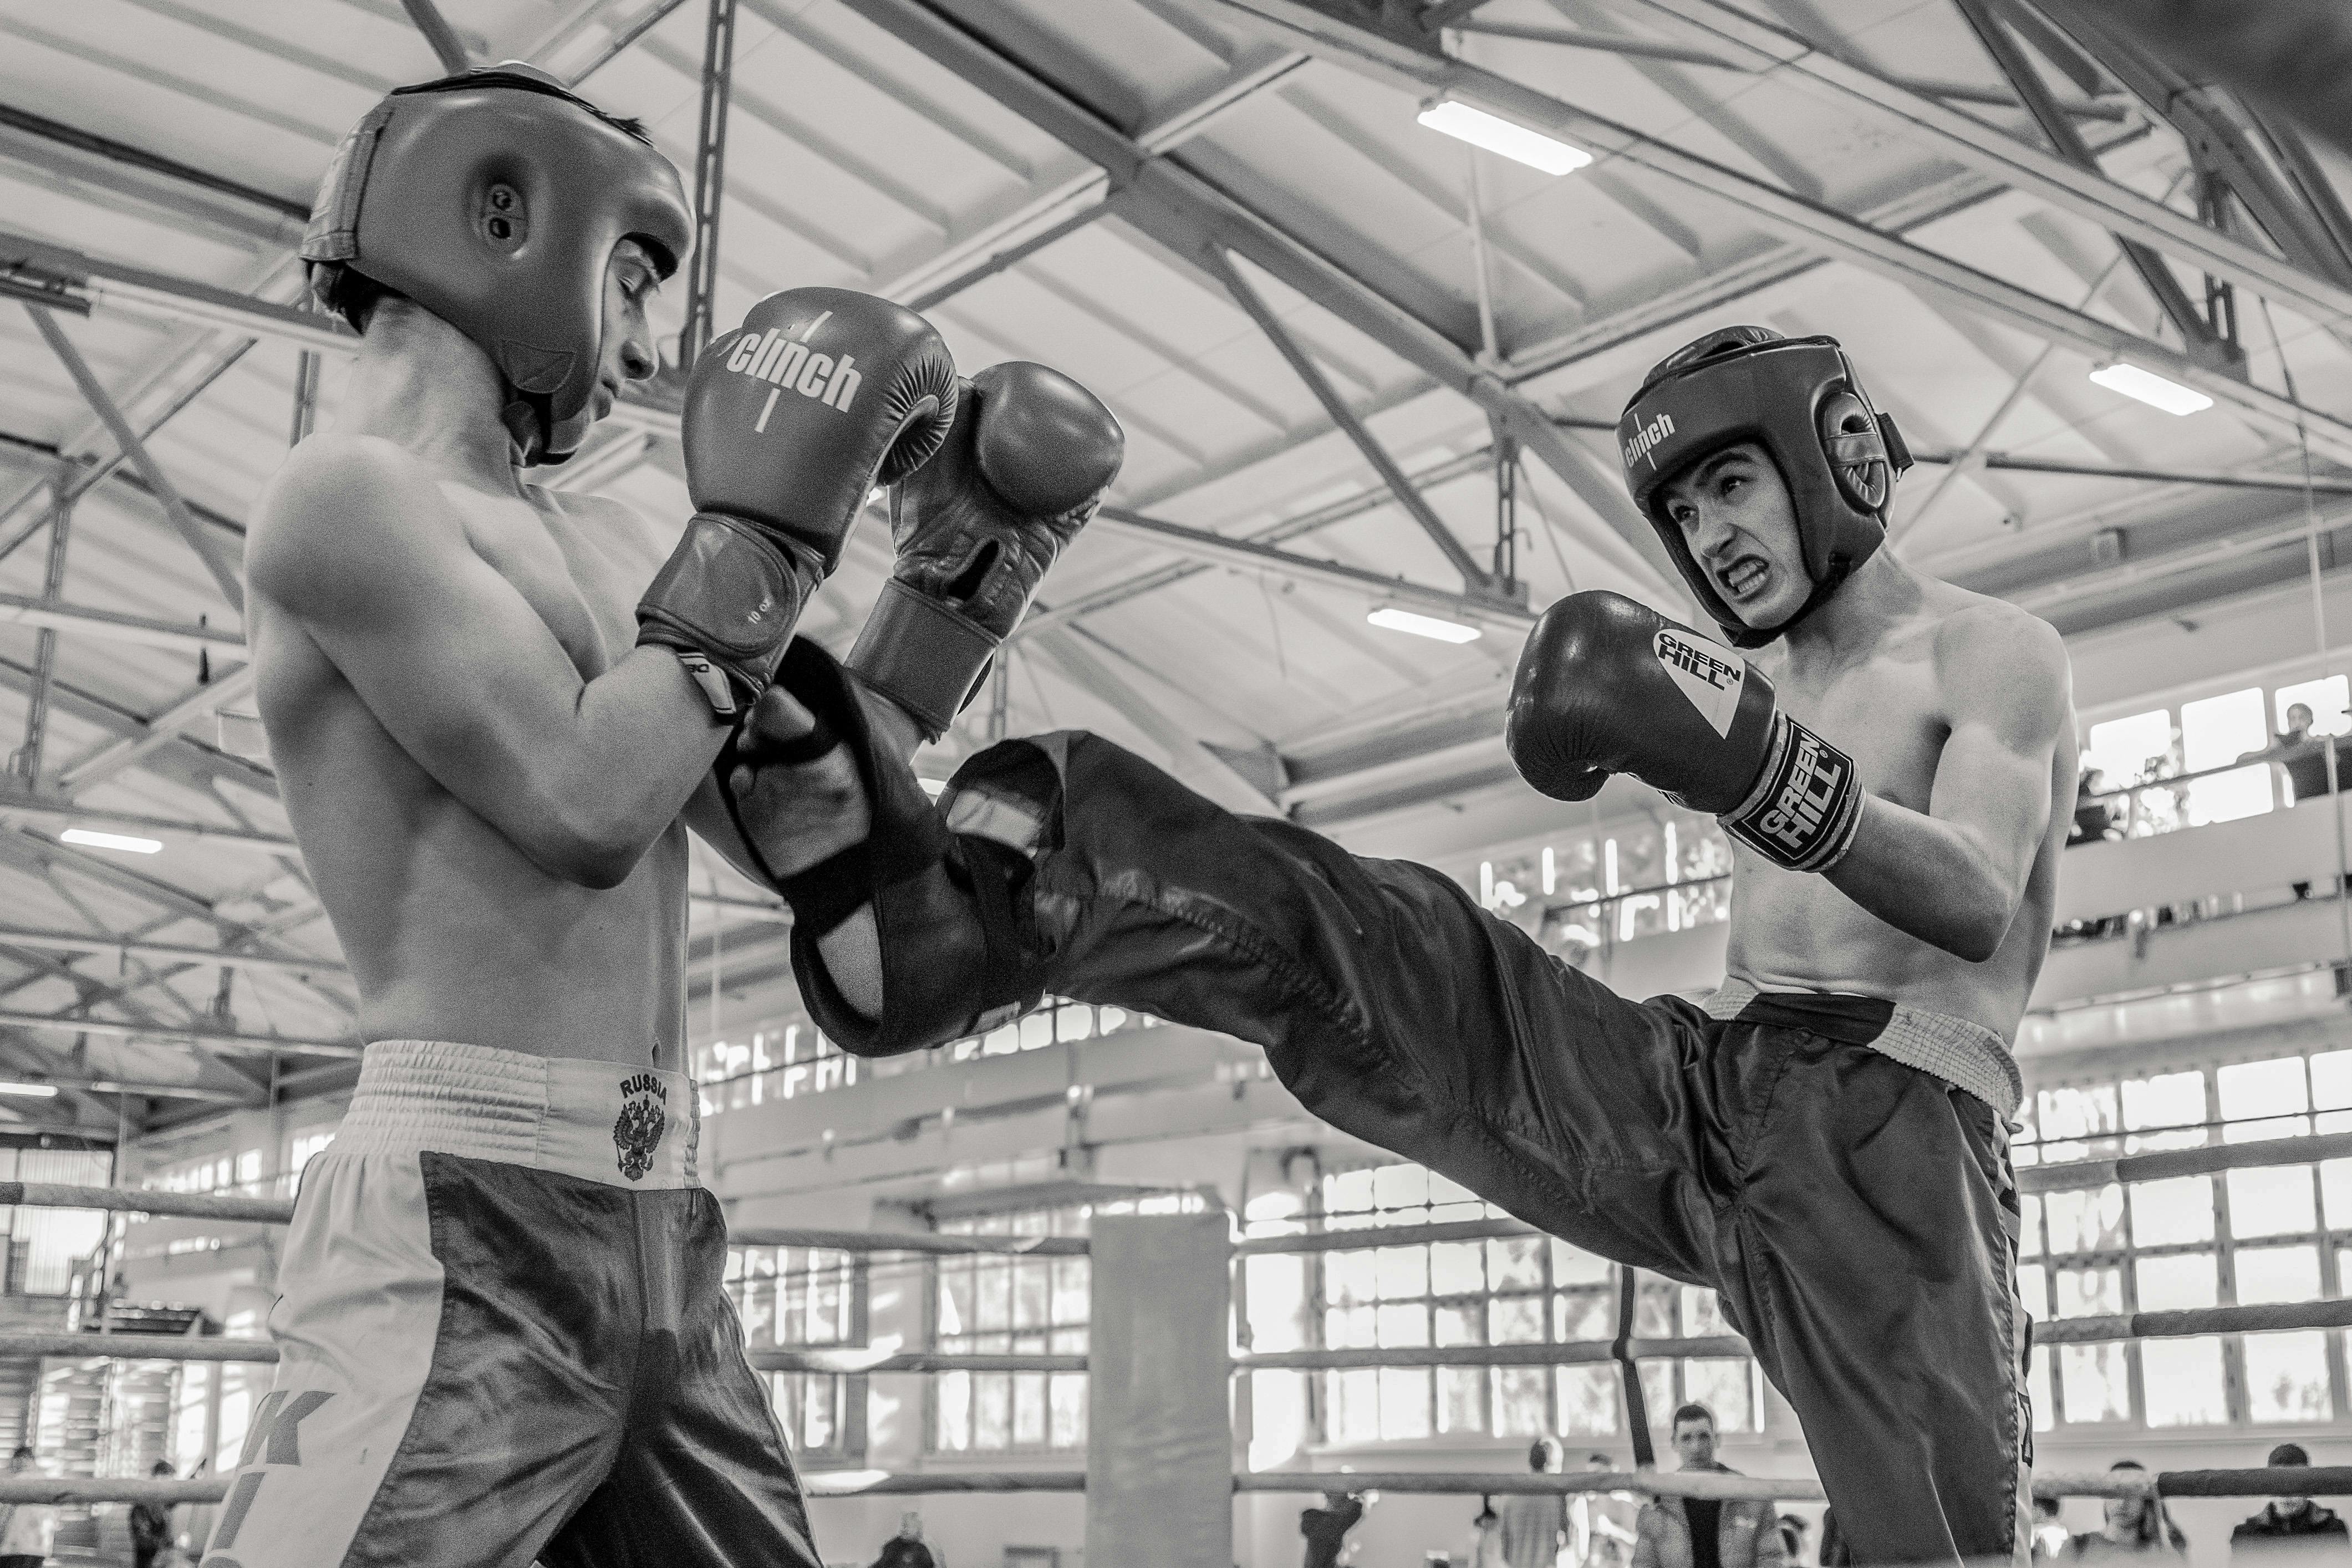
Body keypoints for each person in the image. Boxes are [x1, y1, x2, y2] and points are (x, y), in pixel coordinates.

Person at [747, 325, 2071, 1565]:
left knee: (1936, 1548)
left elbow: (1974, 893)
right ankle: (1020, 889)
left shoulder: (1989, 652)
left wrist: (1765, 772)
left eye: (1731, 485)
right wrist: (1746, 751)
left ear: (1836, 453)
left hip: (1898, 1132)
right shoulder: (1758, 689)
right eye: (1682, 511)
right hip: (1708, 1082)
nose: (1708, 534)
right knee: (1404, 952)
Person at [201, 62, 1119, 1568]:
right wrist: (765, 534)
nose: (640, 349)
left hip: (665, 1227)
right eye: (633, 280)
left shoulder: (602, 539)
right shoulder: (343, 501)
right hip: (459, 1223)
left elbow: (803, 815)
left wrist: (950, 587)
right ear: (506, 219)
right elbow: (584, 801)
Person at [1629, 1405, 1785, 1568]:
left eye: (1703, 1437)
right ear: (1674, 1443)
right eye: (1686, 1438)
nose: (1696, 1448)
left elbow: (1772, 1557)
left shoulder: (1751, 1497)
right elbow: (1644, 1563)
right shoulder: (1658, 1505)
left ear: (1716, 1439)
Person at [2232, 1443, 2348, 1558]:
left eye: (2296, 1483)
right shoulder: (2246, 1535)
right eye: (2278, 1482)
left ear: (2308, 1484)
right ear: (2268, 1484)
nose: (2286, 1494)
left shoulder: (2333, 1530)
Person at [2065, 1462, 2187, 1561]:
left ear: (2145, 1501)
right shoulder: (2077, 1546)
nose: (2122, 1502)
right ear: (2105, 1496)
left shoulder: (2164, 1554)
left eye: (2131, 1494)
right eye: (2114, 1493)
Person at [1496, 1437, 1571, 1568]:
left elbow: (1505, 1548)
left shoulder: (1512, 1497)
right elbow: (1566, 1543)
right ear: (1551, 1463)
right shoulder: (1557, 1499)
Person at [1576, 1452, 1640, 1568]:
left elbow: (1638, 1543)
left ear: (1611, 1472)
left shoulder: (1625, 1503)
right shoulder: (1585, 1504)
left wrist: (1613, 1530)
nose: (1594, 1479)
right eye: (1590, 1475)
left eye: (1598, 1473)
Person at [0, 1447, 55, 1568]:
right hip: (39, 1548)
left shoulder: (14, 1483)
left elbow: (4, 1515)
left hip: (14, 1548)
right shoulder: (48, 1483)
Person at [1303, 1489, 1367, 1568]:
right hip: (1326, 1532)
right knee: (1354, 1512)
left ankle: (1337, 1497)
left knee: (1354, 1512)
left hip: (1326, 1533)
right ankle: (1337, 1498)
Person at [130, 1458, 175, 1568]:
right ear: (157, 1477)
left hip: (159, 1560)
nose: (169, 1484)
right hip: (147, 1562)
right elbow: (143, 1540)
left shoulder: (163, 1505)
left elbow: (176, 1500)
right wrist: (164, 1545)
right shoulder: (141, 1508)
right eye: (167, 1479)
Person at [2069, 766, 2123, 847]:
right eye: (2096, 781)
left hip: (2098, 832)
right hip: (2091, 834)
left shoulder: (2101, 799)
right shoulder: (2083, 795)